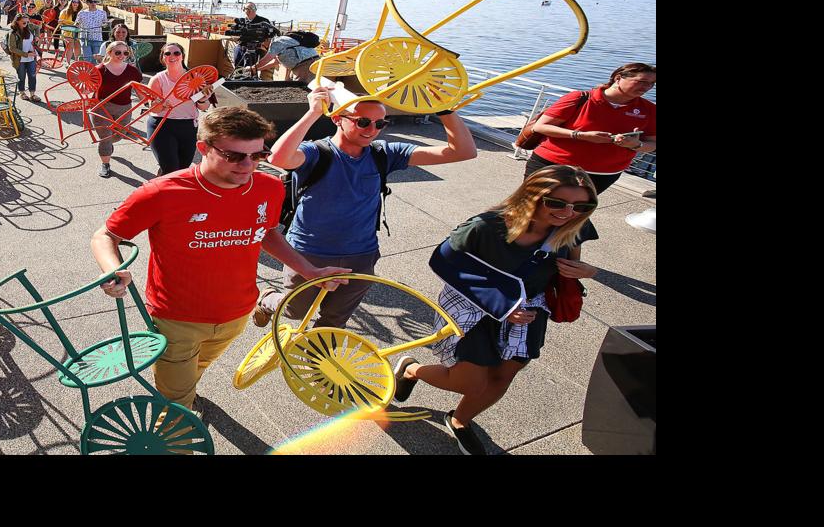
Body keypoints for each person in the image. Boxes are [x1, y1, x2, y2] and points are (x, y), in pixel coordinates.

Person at [91, 107, 352, 412]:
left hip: (236, 313)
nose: (247, 165)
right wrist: (114, 270)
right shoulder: (162, 192)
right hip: (177, 319)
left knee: (196, 370)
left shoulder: (268, 187)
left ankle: (188, 390)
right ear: (203, 148)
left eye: (257, 156)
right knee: (175, 407)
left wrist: (308, 270)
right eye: (234, 156)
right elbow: (105, 236)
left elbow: (266, 233)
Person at [391, 165, 602, 455]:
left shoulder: (575, 224)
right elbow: (442, 260)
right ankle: (411, 370)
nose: (568, 212)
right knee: (470, 382)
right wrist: (502, 305)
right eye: (556, 203)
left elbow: (571, 262)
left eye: (582, 205)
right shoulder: (486, 225)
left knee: (504, 376)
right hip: (476, 305)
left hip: (530, 308)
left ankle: (460, 420)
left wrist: (587, 272)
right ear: (532, 196)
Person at [255, 90, 477, 331]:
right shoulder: (317, 152)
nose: (371, 129)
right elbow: (277, 158)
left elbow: (462, 151)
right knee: (295, 310)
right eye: (362, 122)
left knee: (335, 320)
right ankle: (268, 299)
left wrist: (444, 109)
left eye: (379, 123)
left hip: (361, 254)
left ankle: (316, 362)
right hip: (309, 252)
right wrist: (313, 112)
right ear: (337, 118)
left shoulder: (385, 153)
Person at [523, 62, 656, 196]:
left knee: (575, 211)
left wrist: (636, 144)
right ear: (618, 78)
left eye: (652, 83)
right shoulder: (580, 98)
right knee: (531, 205)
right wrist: (580, 135)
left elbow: (652, 144)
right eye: (642, 81)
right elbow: (541, 126)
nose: (647, 87)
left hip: (602, 174)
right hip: (554, 164)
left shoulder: (649, 110)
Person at [145, 43, 215, 177]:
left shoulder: (196, 78)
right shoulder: (157, 79)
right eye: (167, 53)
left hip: (188, 126)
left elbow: (204, 107)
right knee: (172, 169)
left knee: (183, 168)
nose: (172, 56)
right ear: (162, 58)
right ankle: (165, 191)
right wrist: (161, 105)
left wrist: (203, 98)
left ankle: (161, 179)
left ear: (182, 56)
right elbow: (153, 108)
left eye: (176, 53)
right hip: (161, 125)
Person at [90, 41, 141, 179]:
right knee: (105, 138)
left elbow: (139, 91)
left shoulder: (132, 70)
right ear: (109, 53)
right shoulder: (99, 70)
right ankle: (105, 164)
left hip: (124, 107)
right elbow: (89, 90)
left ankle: (108, 145)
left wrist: (150, 101)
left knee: (119, 135)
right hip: (102, 107)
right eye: (117, 52)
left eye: (125, 53)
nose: (121, 55)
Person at [227, 2, 278, 69]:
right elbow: (237, 33)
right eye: (247, 9)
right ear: (244, 10)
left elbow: (271, 33)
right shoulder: (242, 21)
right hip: (242, 45)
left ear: (255, 9)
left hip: (256, 48)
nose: (249, 11)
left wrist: (265, 44)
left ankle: (249, 76)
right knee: (237, 63)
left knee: (249, 67)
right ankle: (237, 76)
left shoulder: (263, 21)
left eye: (251, 8)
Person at [253, 33, 319, 83]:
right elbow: (275, 62)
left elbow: (266, 59)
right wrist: (258, 69)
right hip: (304, 63)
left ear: (266, 40)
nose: (262, 47)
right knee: (292, 84)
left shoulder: (276, 43)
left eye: (262, 45)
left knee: (301, 87)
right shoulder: (282, 41)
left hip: (305, 64)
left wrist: (253, 67)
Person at [4, 14, 41, 100]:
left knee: (32, 76)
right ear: (17, 21)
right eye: (24, 22)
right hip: (19, 59)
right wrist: (26, 54)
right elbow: (12, 48)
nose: (26, 23)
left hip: (31, 58)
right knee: (21, 77)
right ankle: (22, 93)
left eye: (27, 22)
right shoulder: (13, 33)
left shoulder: (29, 26)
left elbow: (37, 27)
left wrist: (37, 36)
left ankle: (32, 94)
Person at [76, 0, 109, 69]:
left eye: (95, 2)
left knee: (96, 59)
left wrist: (106, 24)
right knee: (87, 58)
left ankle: (94, 75)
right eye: (91, 2)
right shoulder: (82, 13)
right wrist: (77, 25)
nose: (93, 3)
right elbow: (77, 23)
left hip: (97, 37)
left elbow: (105, 24)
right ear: (87, 3)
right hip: (85, 38)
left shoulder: (102, 13)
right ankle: (88, 75)